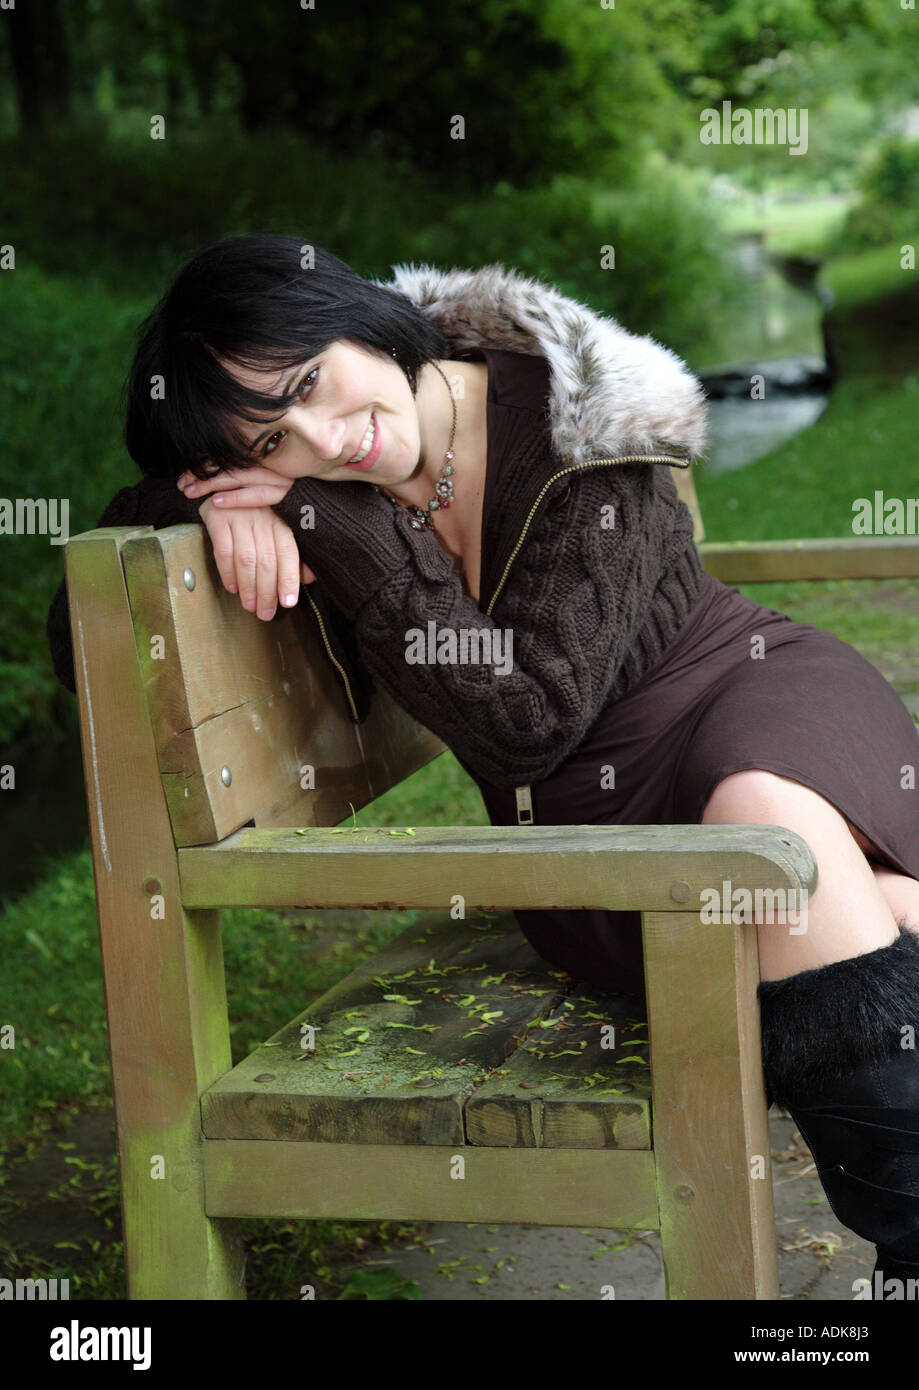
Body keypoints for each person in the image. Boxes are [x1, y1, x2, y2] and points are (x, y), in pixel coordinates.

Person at [46, 233, 919, 1288]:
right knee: (853, 891)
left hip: (759, 691)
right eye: (273, 440)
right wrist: (201, 504)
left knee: (768, 828)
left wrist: (324, 515)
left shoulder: (580, 420)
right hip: (598, 834)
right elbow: (76, 642)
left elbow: (526, 719)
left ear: (358, 314)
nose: (332, 437)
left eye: (316, 382)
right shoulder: (315, 470)